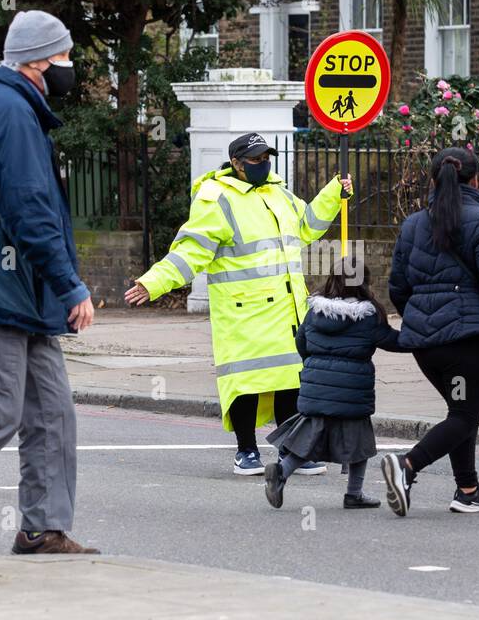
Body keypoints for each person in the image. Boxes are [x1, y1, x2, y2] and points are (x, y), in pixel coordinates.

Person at [0, 9, 96, 555]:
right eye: (65, 57)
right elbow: (29, 211)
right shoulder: (9, 114)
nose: (70, 66)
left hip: (21, 298)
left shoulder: (13, 108)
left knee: (52, 415)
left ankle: (42, 528)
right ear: (38, 61)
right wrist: (69, 285)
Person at [125, 133, 351, 476]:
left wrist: (334, 192)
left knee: (290, 381)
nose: (263, 164)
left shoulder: (278, 193)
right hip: (244, 313)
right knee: (245, 383)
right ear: (236, 163)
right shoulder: (216, 198)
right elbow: (191, 249)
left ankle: (293, 451)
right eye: (256, 159)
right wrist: (154, 281)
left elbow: (307, 227)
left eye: (266, 158)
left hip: (287, 309)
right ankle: (246, 451)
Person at [380, 146, 479, 517]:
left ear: (433, 180)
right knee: (465, 415)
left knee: (460, 411)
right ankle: (406, 467)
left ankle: (467, 490)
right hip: (468, 341)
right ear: (476, 179)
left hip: (425, 344)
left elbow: (398, 288)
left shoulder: (413, 223)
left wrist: (422, 319)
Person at [263, 261, 406, 510]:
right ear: (364, 283)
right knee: (359, 444)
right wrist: (423, 335)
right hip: (352, 392)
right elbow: (393, 341)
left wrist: (315, 366)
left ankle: (281, 472)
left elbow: (301, 342)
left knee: (309, 441)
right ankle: (354, 494)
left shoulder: (315, 310)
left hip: (316, 388)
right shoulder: (369, 314)